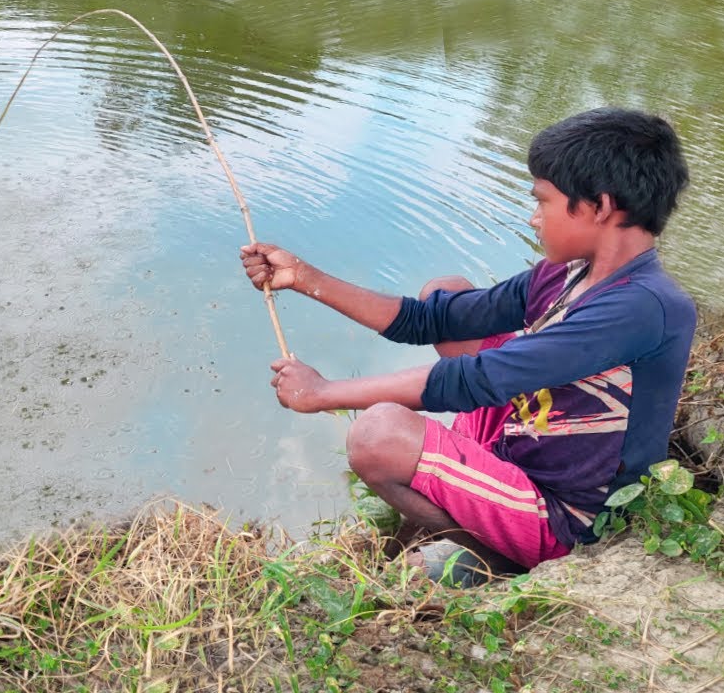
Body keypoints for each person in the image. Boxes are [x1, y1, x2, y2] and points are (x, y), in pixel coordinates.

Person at [240, 107, 695, 579]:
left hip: (572, 518)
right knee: (447, 293)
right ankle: (477, 499)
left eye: (543, 201)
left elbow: (477, 380)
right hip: (526, 440)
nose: (534, 218)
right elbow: (431, 320)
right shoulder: (564, 274)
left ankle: (494, 554)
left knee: (377, 436)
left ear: (599, 207)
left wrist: (322, 394)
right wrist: (303, 278)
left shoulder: (643, 306)